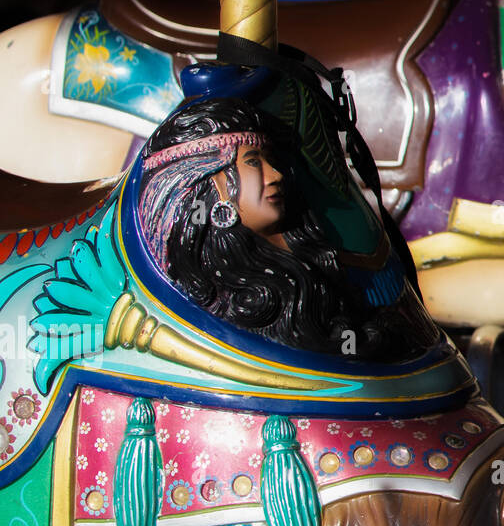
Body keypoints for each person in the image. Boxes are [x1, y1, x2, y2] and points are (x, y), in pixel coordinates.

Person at [137, 96, 434, 362]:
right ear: (215, 183)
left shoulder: (306, 270)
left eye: (271, 162)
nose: (276, 174)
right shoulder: (225, 302)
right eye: (254, 162)